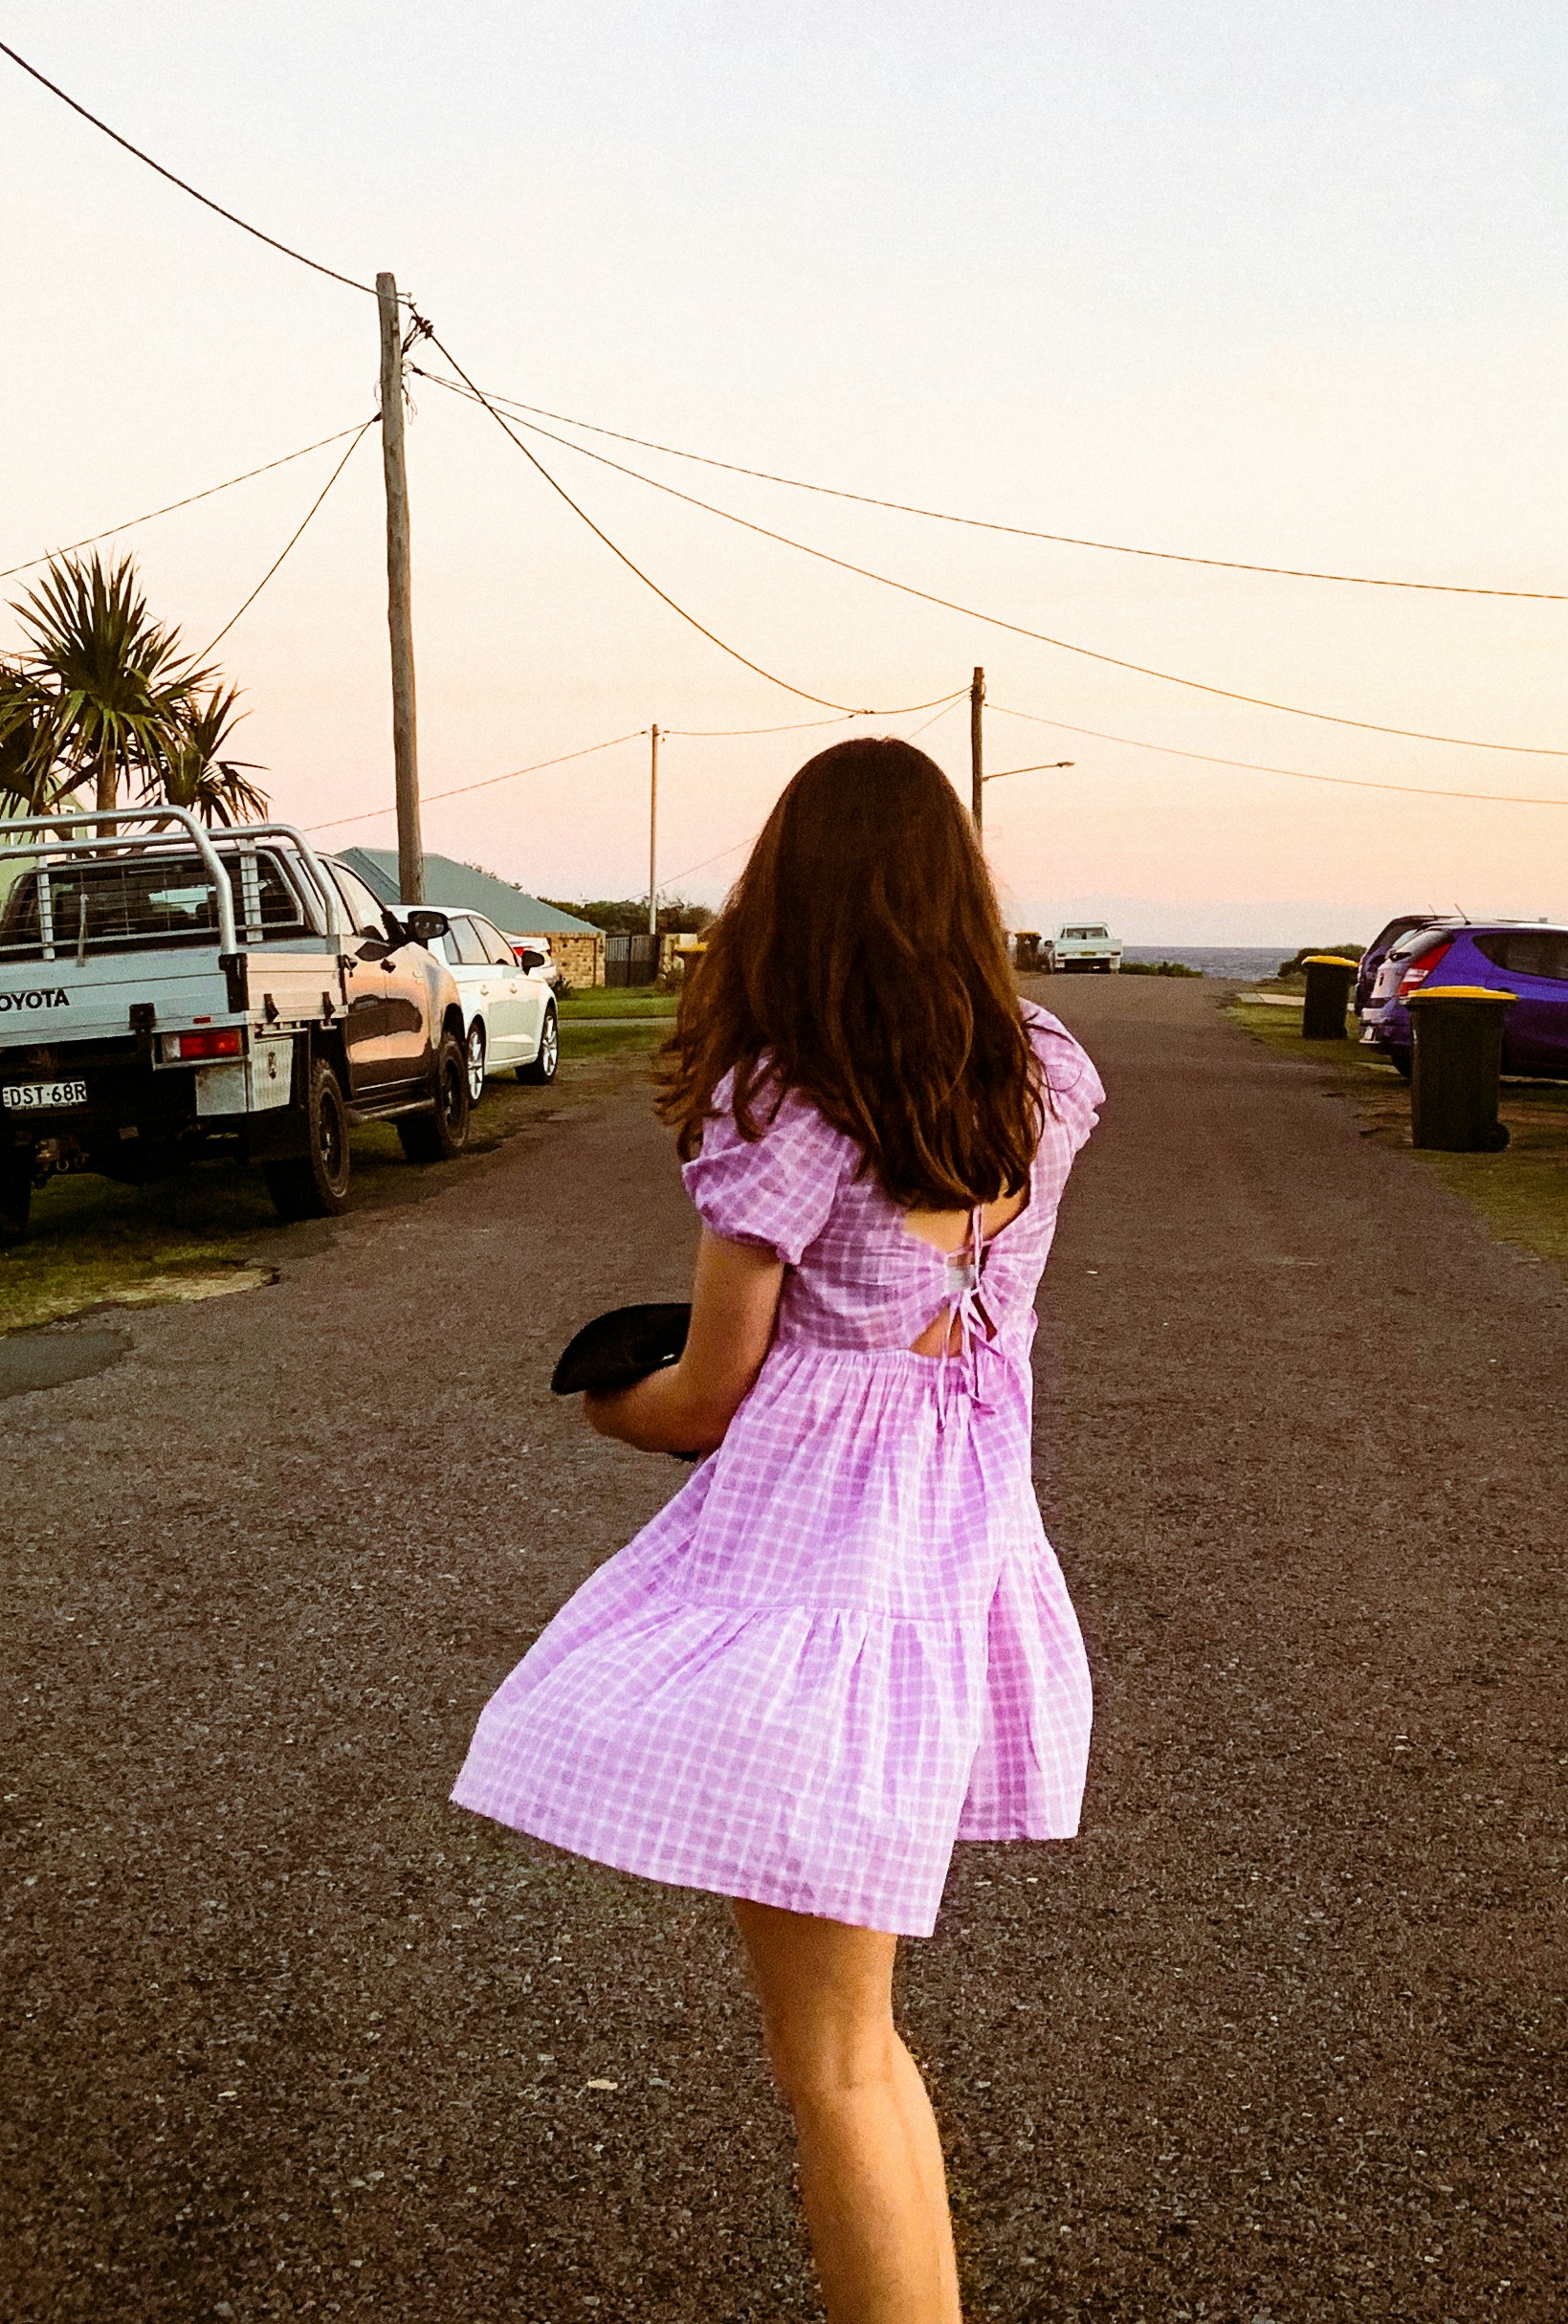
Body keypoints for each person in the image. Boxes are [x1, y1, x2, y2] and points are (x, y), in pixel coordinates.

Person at [453, 736, 1105, 2323]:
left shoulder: (793, 1108)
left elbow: (706, 1394)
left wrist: (605, 1402)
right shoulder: (1038, 1075)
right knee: (863, 2047)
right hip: (950, 1575)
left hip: (816, 1591)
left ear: (790, 899)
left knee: (831, 2062)